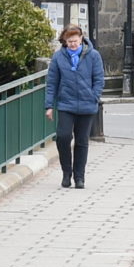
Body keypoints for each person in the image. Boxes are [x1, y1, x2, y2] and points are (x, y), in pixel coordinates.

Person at [45, 24, 104, 189]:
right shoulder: (58, 57)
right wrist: (49, 105)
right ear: (64, 41)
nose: (72, 44)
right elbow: (52, 83)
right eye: (69, 41)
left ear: (81, 39)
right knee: (63, 137)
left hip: (87, 104)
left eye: (75, 41)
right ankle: (66, 172)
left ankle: (79, 177)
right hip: (66, 103)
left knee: (82, 141)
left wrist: (94, 96)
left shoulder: (93, 56)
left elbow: (99, 78)